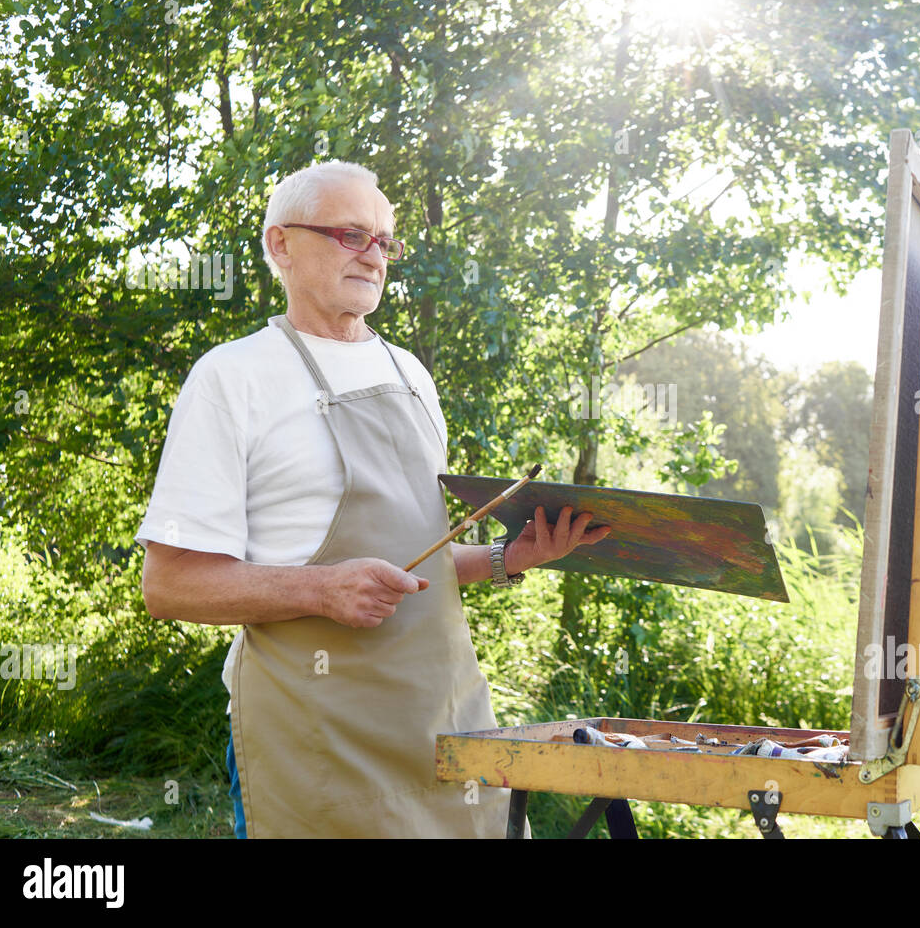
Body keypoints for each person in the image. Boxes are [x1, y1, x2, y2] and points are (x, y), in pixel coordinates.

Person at [136, 160, 609, 838]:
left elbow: (409, 564)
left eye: (385, 241)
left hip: (446, 720)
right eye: (351, 234)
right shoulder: (231, 378)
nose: (374, 256)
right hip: (316, 735)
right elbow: (170, 585)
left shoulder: (410, 373)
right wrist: (321, 589)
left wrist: (511, 556)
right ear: (281, 244)